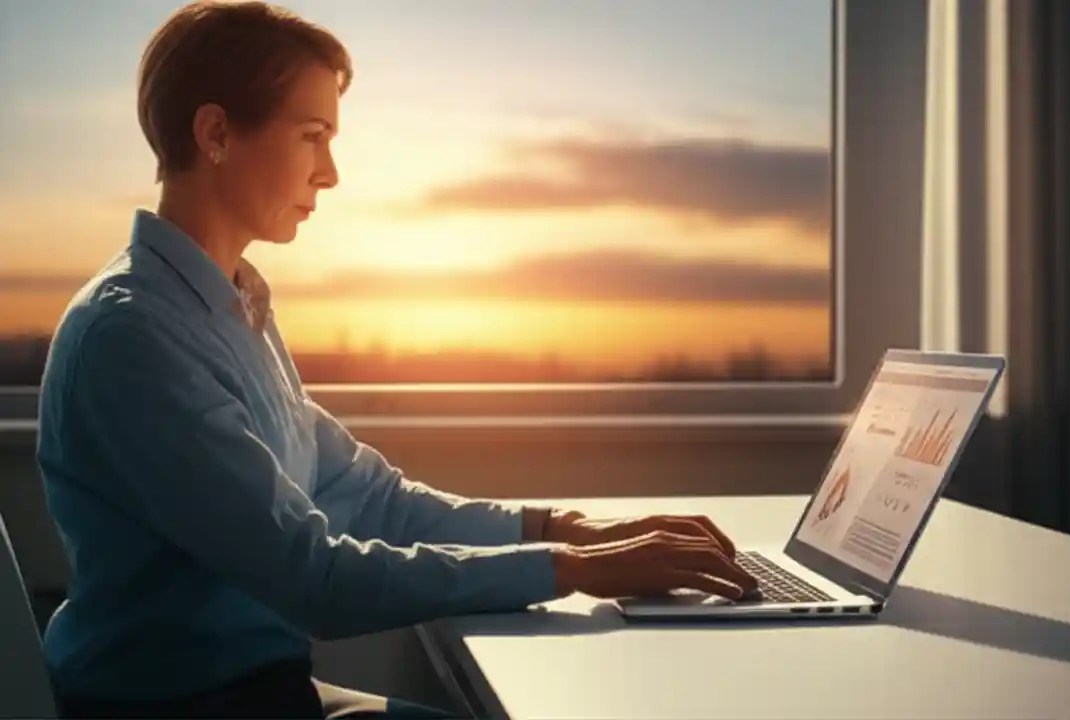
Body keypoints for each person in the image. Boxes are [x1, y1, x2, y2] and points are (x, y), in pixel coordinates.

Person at [35, 2, 758, 717]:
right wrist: (572, 571)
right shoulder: (134, 338)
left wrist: (563, 528)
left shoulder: (233, 304)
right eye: (313, 136)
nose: (331, 173)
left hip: (263, 693)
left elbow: (365, 494)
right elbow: (312, 577)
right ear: (217, 133)